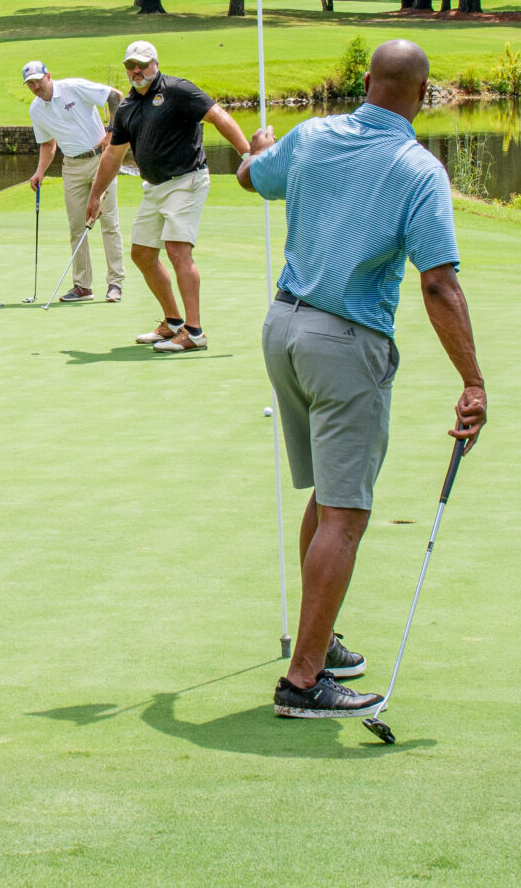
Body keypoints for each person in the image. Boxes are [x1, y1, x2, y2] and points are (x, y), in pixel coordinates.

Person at [238, 38, 487, 721]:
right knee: (346, 513)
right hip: (344, 344)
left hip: (283, 329)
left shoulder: (313, 134)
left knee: (328, 494)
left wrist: (260, 149)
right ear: (422, 93)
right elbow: (437, 283)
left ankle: (320, 636)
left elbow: (247, 177)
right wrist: (473, 380)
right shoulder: (417, 167)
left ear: (368, 80)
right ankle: (303, 680)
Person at [85, 40, 252, 353]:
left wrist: (248, 155)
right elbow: (112, 156)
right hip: (154, 187)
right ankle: (173, 321)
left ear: (155, 64)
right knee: (142, 253)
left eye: (142, 64)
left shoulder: (178, 91)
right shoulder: (126, 108)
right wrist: (96, 195)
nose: (136, 70)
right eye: (130, 65)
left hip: (186, 180)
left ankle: (195, 332)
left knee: (177, 250)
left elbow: (218, 117)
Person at [22, 59, 125, 303]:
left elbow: (115, 96)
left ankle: (115, 283)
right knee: (77, 226)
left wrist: (111, 132)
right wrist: (40, 171)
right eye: (30, 84)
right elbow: (48, 143)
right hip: (71, 166)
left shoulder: (73, 87)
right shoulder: (36, 110)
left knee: (108, 222)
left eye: (38, 80)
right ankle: (82, 286)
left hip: (101, 160)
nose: (35, 86)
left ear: (48, 75)